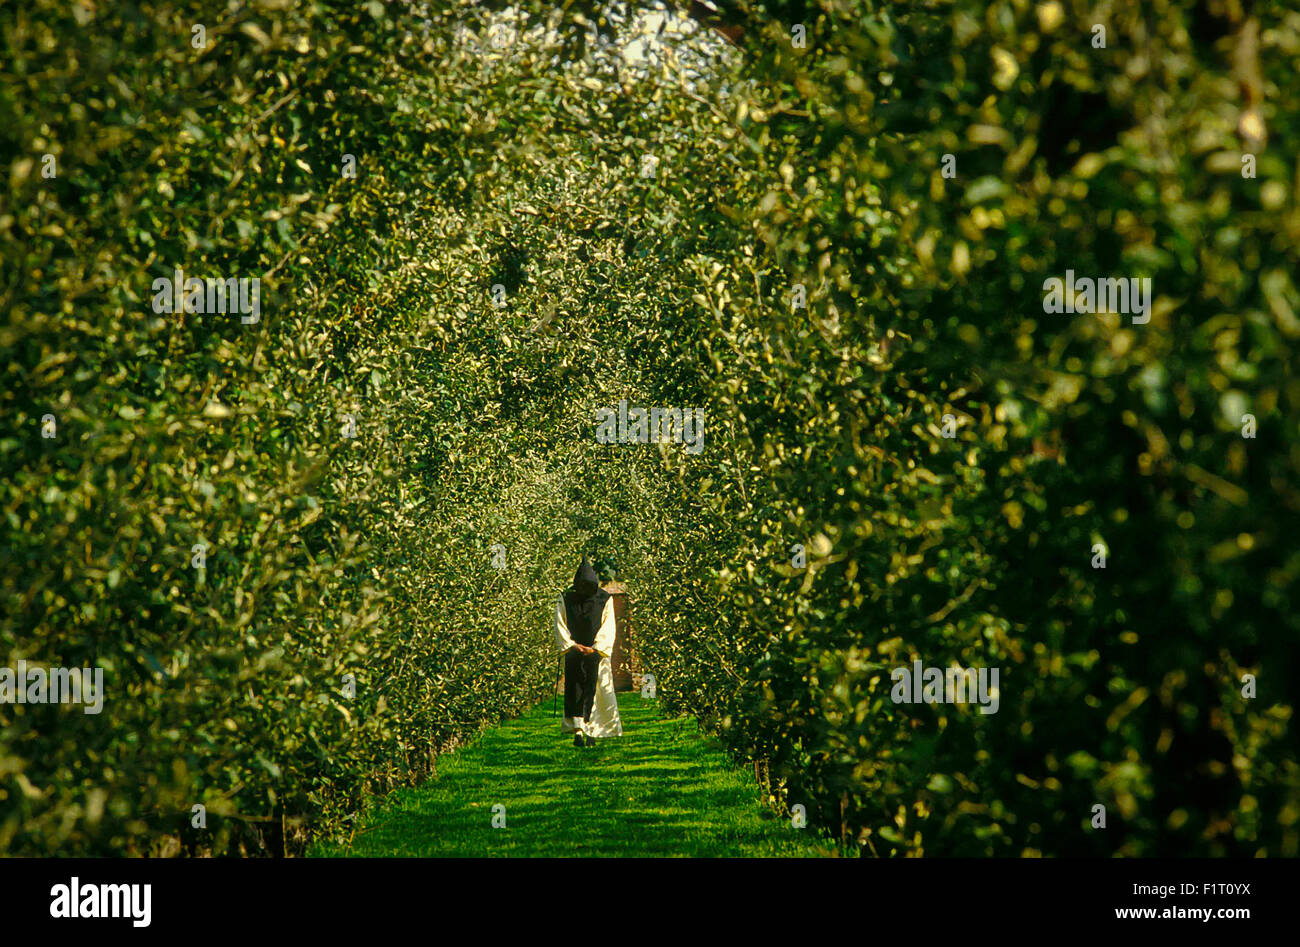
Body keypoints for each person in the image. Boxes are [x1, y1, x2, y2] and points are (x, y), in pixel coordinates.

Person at [554, 557, 623, 747]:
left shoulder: (604, 599)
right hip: (575, 653)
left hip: (596, 655)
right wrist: (572, 645)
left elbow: (608, 625)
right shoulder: (566, 598)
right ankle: (578, 731)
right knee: (575, 692)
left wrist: (596, 647)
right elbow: (560, 623)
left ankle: (593, 731)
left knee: (597, 691)